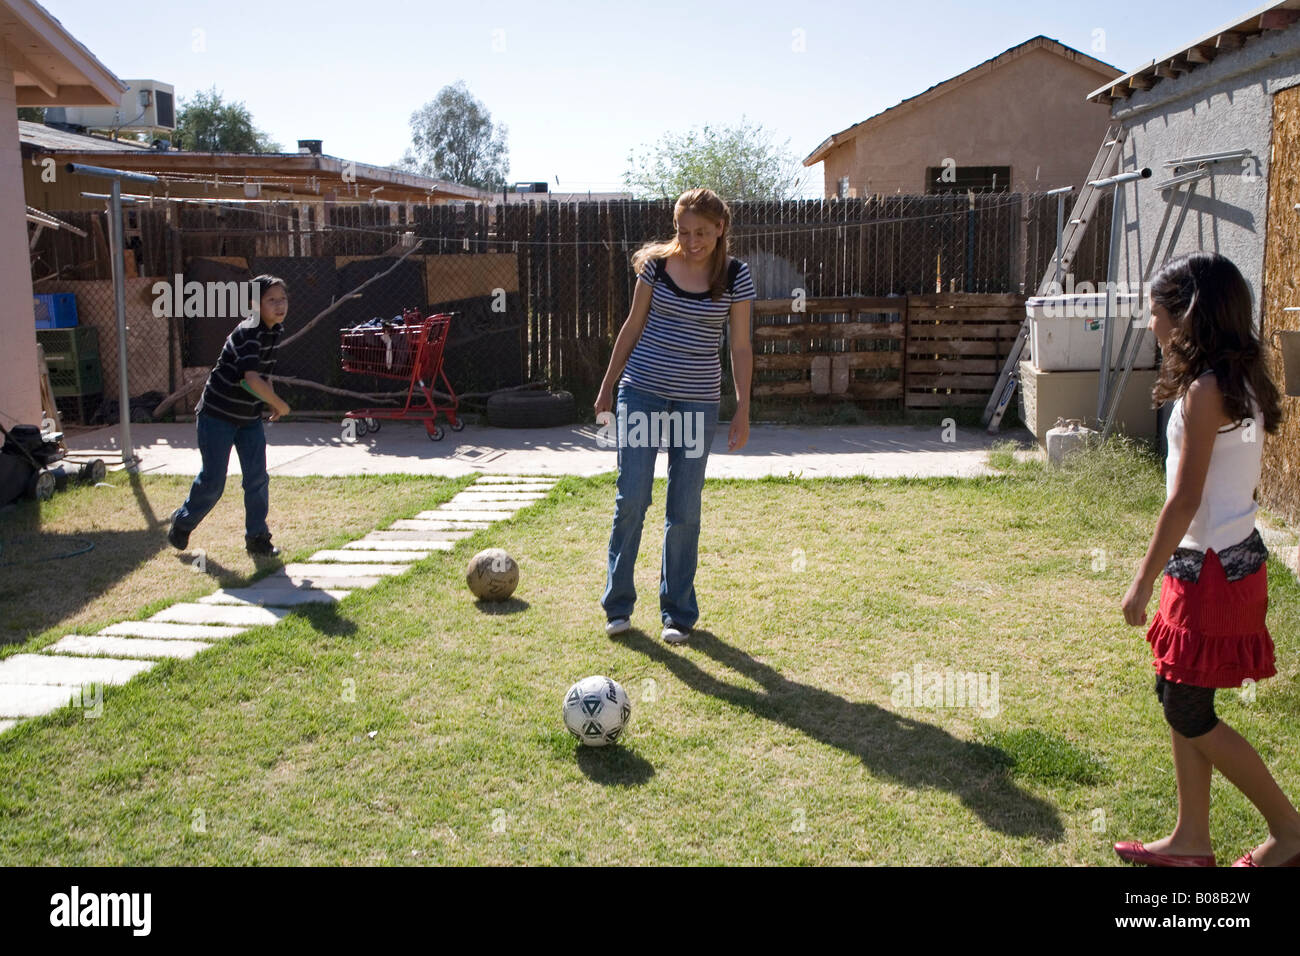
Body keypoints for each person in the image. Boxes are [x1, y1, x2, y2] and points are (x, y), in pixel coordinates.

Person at [1115, 252, 1298, 867]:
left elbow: (1186, 496)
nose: (1152, 325)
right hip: (1221, 562)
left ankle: (1290, 830)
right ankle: (1192, 839)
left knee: (1188, 708)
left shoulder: (1205, 390)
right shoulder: (1239, 377)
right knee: (1178, 694)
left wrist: (1140, 584)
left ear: (1184, 314)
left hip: (1213, 572)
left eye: (1156, 312)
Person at [594, 188, 755, 644]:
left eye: (701, 232)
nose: (692, 240)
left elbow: (740, 346)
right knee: (633, 498)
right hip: (641, 393)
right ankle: (618, 606)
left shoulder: (737, 277)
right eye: (683, 231)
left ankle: (678, 614)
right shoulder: (657, 267)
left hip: (697, 402)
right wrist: (607, 387)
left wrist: (743, 407)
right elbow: (633, 325)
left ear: (720, 228)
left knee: (683, 509)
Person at [168, 275, 291, 558]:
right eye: (271, 300)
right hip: (217, 416)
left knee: (257, 478)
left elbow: (262, 376)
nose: (279, 304)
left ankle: (257, 539)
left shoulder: (274, 330)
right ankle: (183, 521)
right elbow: (251, 378)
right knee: (213, 482)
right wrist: (280, 404)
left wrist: (270, 400)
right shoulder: (249, 331)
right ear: (254, 304)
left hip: (248, 418)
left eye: (282, 299)